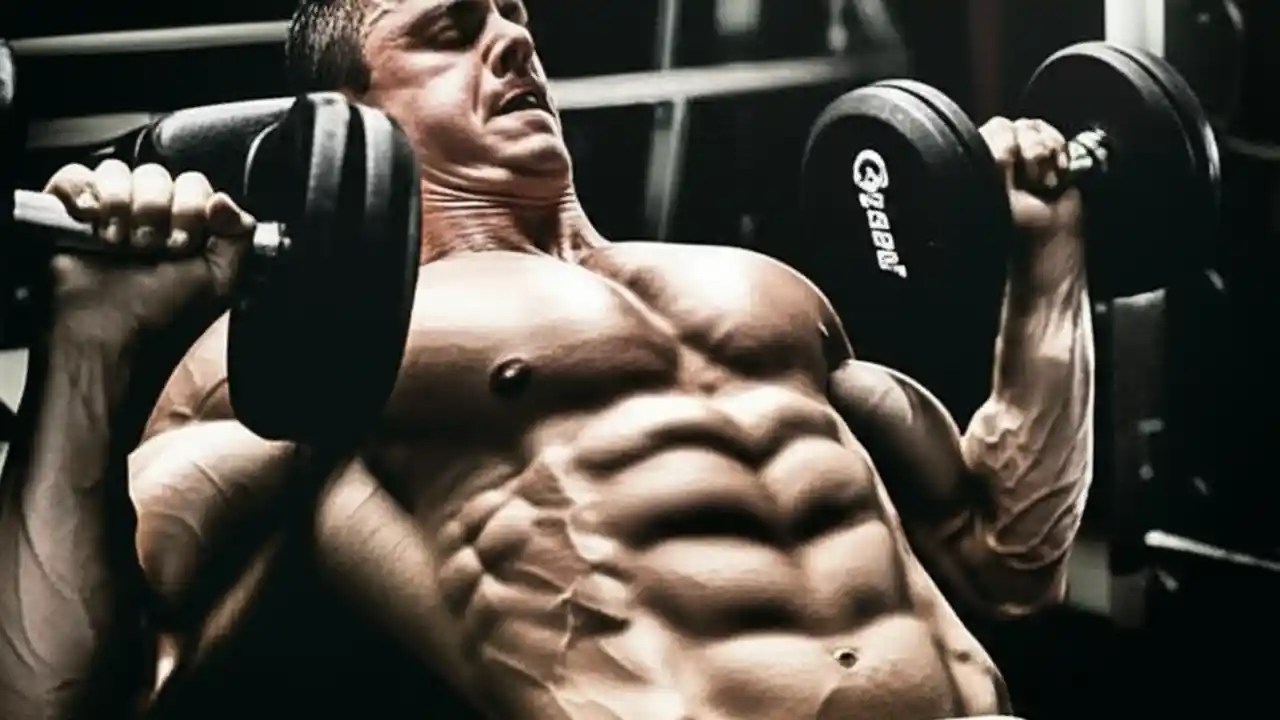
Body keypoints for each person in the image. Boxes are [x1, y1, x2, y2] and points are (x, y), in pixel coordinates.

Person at [0, 1, 1094, 718]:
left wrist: (1048, 255)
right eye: (450, 30)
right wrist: (88, 348)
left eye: (514, 17)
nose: (514, 42)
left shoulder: (762, 291)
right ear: (345, 119)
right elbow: (49, 694)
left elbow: (1007, 559)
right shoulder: (322, 341)